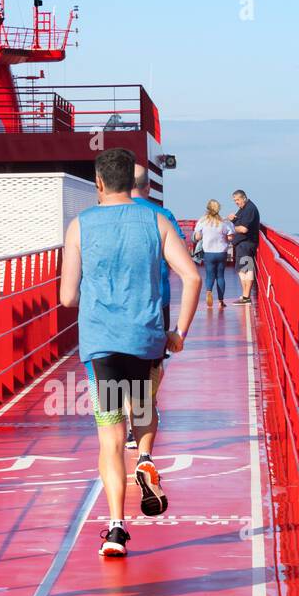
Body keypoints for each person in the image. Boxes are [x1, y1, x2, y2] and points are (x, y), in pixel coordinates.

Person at [60, 146, 201, 558]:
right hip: (145, 340)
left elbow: (68, 296)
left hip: (102, 345)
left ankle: (117, 528)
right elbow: (191, 277)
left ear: (99, 183)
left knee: (109, 434)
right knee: (143, 406)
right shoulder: (156, 221)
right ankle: (145, 458)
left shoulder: (80, 226)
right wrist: (179, 333)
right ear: (133, 183)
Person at [124, 164, 184, 484]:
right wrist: (182, 331)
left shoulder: (103, 215)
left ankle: (116, 519)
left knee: (117, 375)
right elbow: (184, 265)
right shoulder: (163, 216)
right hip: (155, 303)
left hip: (114, 311)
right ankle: (144, 434)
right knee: (151, 365)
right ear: (148, 187)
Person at [194, 200, 233, 307]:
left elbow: (197, 237)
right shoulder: (224, 222)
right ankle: (221, 301)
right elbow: (230, 237)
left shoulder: (202, 221)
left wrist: (204, 236)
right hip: (221, 252)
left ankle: (208, 291)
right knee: (220, 276)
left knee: (209, 276)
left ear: (208, 209)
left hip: (209, 253)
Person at [229, 189, 261, 303]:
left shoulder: (249, 209)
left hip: (247, 243)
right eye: (234, 201)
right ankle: (245, 295)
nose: (236, 202)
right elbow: (238, 222)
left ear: (243, 198)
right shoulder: (244, 208)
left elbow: (243, 229)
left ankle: (246, 297)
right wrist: (233, 220)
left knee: (247, 269)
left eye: (237, 200)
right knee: (242, 270)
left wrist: (233, 226)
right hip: (242, 243)